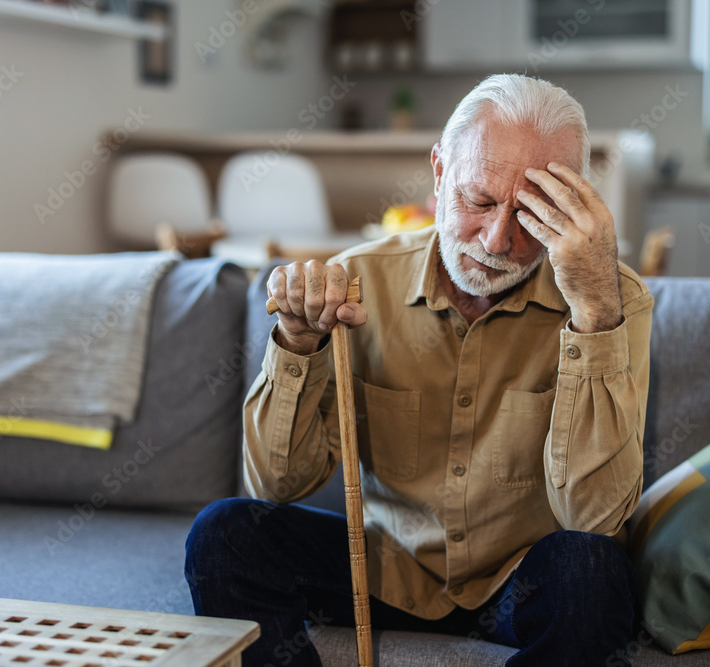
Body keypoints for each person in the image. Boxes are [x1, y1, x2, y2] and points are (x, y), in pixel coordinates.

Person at [186, 73, 653, 666]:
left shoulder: (611, 300)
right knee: (223, 534)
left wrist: (593, 316)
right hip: (383, 570)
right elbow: (275, 486)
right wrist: (298, 343)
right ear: (438, 172)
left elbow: (595, 517)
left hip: (523, 581)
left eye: (531, 215)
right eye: (478, 201)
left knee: (594, 567)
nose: (497, 240)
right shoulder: (356, 282)